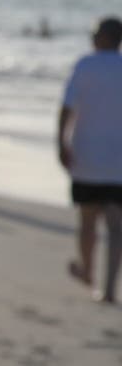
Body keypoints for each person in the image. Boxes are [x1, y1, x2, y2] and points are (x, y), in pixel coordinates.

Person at [58, 17, 122, 304]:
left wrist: (61, 141)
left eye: (95, 33)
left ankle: (87, 271)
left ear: (105, 38)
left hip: (87, 157)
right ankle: (109, 289)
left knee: (87, 220)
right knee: (116, 227)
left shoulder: (85, 65)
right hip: (119, 161)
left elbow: (67, 107)